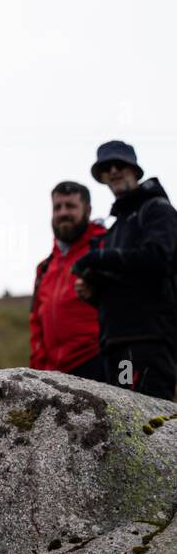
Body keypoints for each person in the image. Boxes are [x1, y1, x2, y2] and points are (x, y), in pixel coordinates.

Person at [72, 141, 177, 400]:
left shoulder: (157, 209)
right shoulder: (115, 228)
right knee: (127, 418)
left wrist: (100, 257)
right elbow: (125, 284)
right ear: (102, 177)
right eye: (107, 168)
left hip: (149, 341)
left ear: (135, 170)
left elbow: (158, 259)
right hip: (118, 346)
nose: (115, 171)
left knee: (148, 424)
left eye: (121, 165)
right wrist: (93, 291)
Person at [30, 182, 107, 381]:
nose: (63, 213)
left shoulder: (105, 249)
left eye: (70, 206)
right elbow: (36, 324)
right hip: (53, 377)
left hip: (101, 366)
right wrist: (40, 373)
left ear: (87, 210)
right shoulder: (45, 267)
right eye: (57, 207)